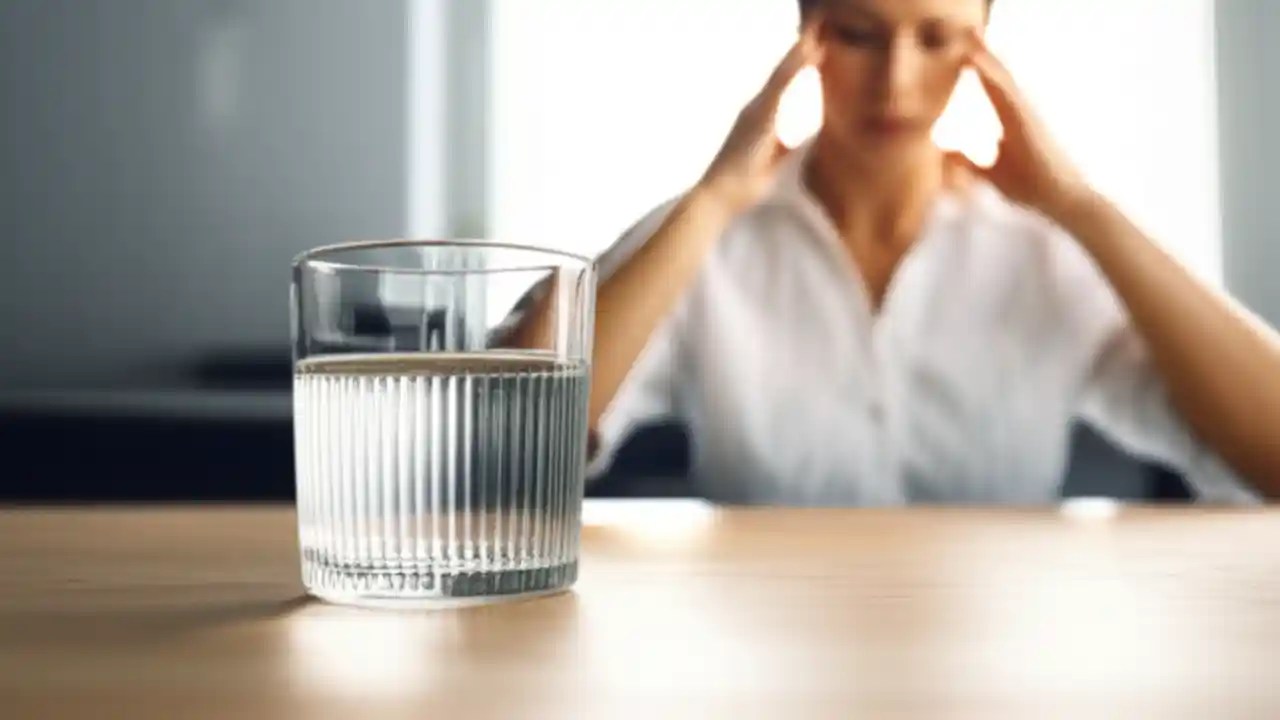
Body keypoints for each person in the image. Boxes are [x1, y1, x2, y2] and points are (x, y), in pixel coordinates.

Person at [510, 0, 1280, 504]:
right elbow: (505, 443)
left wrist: (1081, 207)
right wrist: (709, 201)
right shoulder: (709, 236)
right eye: (858, 34)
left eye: (936, 38)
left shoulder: (1043, 252)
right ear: (807, 37)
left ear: (982, 49)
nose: (895, 81)